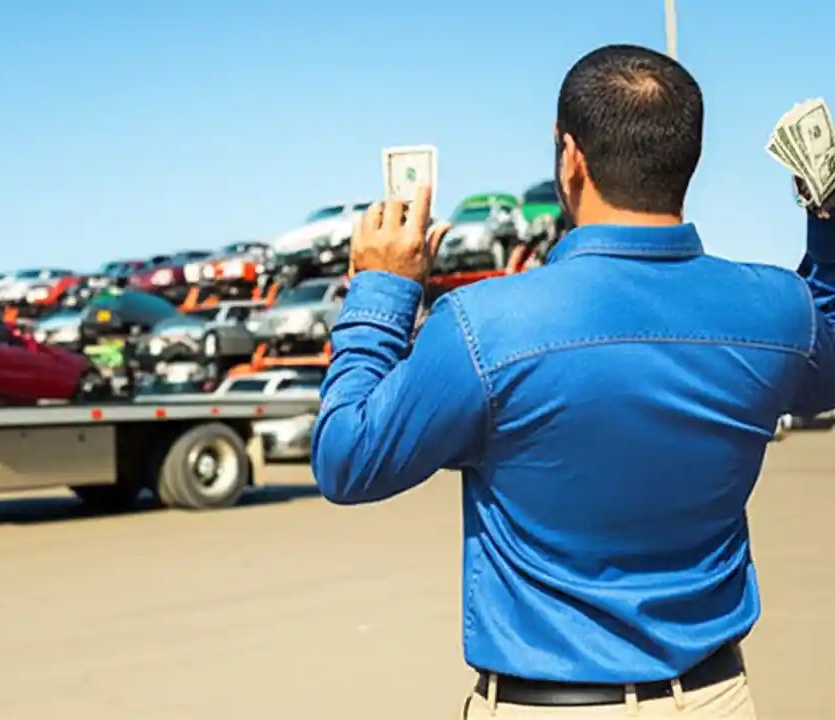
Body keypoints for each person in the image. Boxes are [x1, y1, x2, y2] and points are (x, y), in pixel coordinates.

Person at [311, 43, 835, 718]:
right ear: (686, 158)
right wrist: (824, 227)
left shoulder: (484, 324)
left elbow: (347, 459)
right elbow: (827, 368)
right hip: (715, 699)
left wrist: (381, 290)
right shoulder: (775, 311)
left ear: (571, 158)